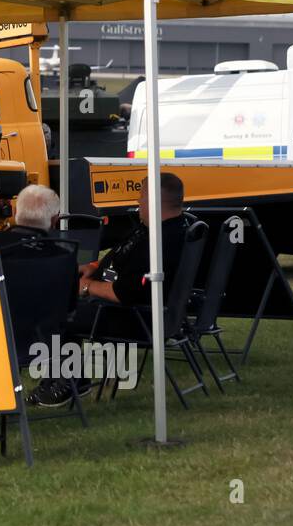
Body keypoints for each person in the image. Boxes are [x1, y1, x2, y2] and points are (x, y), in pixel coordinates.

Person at [27, 171, 189, 407]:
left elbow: (123, 293)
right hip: (140, 311)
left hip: (133, 317)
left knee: (53, 312)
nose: (138, 202)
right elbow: (124, 263)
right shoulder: (171, 229)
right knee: (57, 302)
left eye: (141, 197)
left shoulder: (158, 244)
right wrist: (95, 267)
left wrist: (86, 287)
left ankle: (70, 382)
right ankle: (58, 379)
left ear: (154, 201)